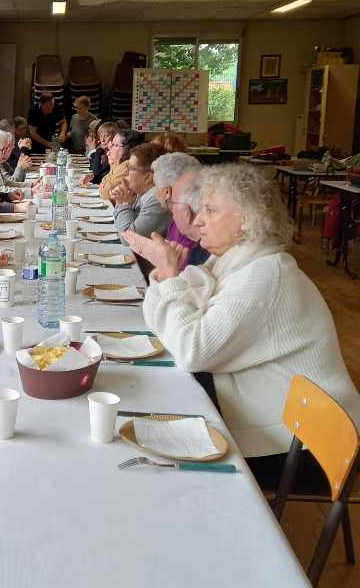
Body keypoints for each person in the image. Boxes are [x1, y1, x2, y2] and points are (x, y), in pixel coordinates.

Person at [140, 164, 360, 485]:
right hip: (273, 422)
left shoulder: (265, 274)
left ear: (246, 219)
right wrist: (163, 277)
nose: (198, 219)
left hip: (302, 446)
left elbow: (190, 350)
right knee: (159, 411)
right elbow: (159, 321)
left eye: (211, 210)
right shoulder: (232, 261)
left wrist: (170, 279)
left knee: (161, 461)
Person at [111, 142, 170, 239]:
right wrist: (121, 199)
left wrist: (124, 203)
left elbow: (128, 238)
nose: (126, 172)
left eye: (131, 168)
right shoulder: (141, 193)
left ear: (148, 177)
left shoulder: (158, 200)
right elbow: (119, 226)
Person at [99, 129, 144, 201]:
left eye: (115, 145)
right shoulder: (120, 165)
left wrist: (104, 185)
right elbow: (103, 182)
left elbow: (105, 193)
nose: (110, 148)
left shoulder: (126, 167)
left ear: (128, 149)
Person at [0, 128, 32, 193]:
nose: (5, 152)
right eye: (3, 149)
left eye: (8, 148)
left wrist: (31, 186)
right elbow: (1, 189)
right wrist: (20, 167)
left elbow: (8, 183)